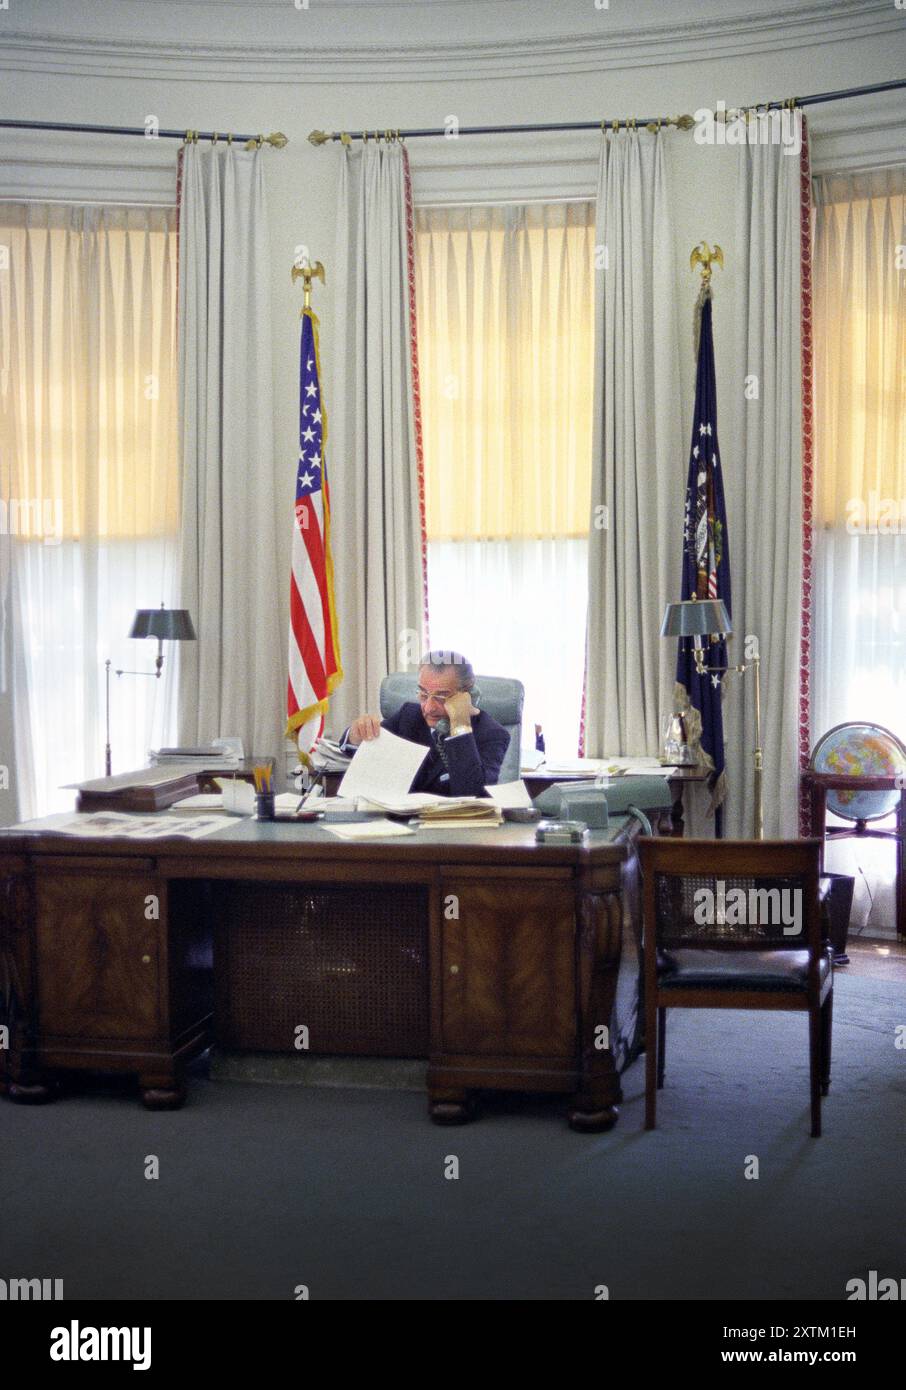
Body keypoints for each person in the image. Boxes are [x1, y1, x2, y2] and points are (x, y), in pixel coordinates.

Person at [340, 650, 510, 797]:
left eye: (441, 697)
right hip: (400, 825)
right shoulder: (408, 716)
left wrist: (460, 727)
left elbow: (473, 795)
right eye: (423, 694)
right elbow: (356, 750)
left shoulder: (492, 734)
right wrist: (356, 735)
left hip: (454, 830)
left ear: (467, 693)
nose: (429, 708)